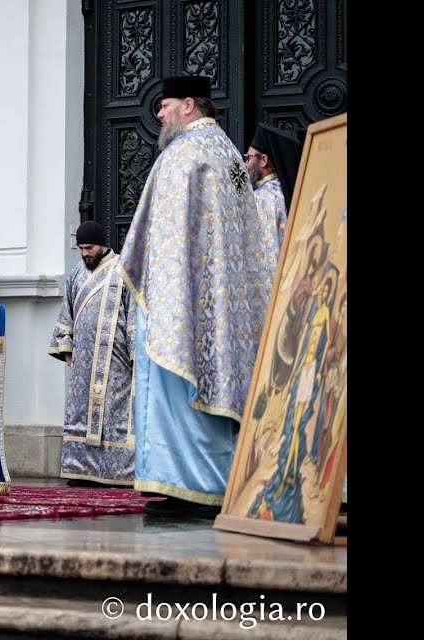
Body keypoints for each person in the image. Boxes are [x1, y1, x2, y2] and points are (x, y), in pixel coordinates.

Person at [118, 75, 272, 518]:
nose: (160, 115)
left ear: (188, 104)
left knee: (177, 378)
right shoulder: (225, 152)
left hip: (182, 297)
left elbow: (165, 243)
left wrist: (164, 295)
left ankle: (188, 485)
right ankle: (206, 482)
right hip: (221, 302)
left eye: (164, 106)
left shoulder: (185, 154)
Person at [47, 221, 135, 487]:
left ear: (102, 245)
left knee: (113, 414)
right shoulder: (76, 274)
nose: (85, 253)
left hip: (116, 358)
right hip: (83, 360)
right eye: (81, 248)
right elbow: (67, 312)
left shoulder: (123, 268)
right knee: (80, 415)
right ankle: (81, 470)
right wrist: (67, 348)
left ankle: (116, 473)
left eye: (90, 247)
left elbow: (133, 313)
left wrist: (135, 352)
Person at [245, 123, 303, 266]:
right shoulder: (283, 191)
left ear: (263, 160)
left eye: (248, 158)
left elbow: (268, 256)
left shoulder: (262, 198)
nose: (245, 165)